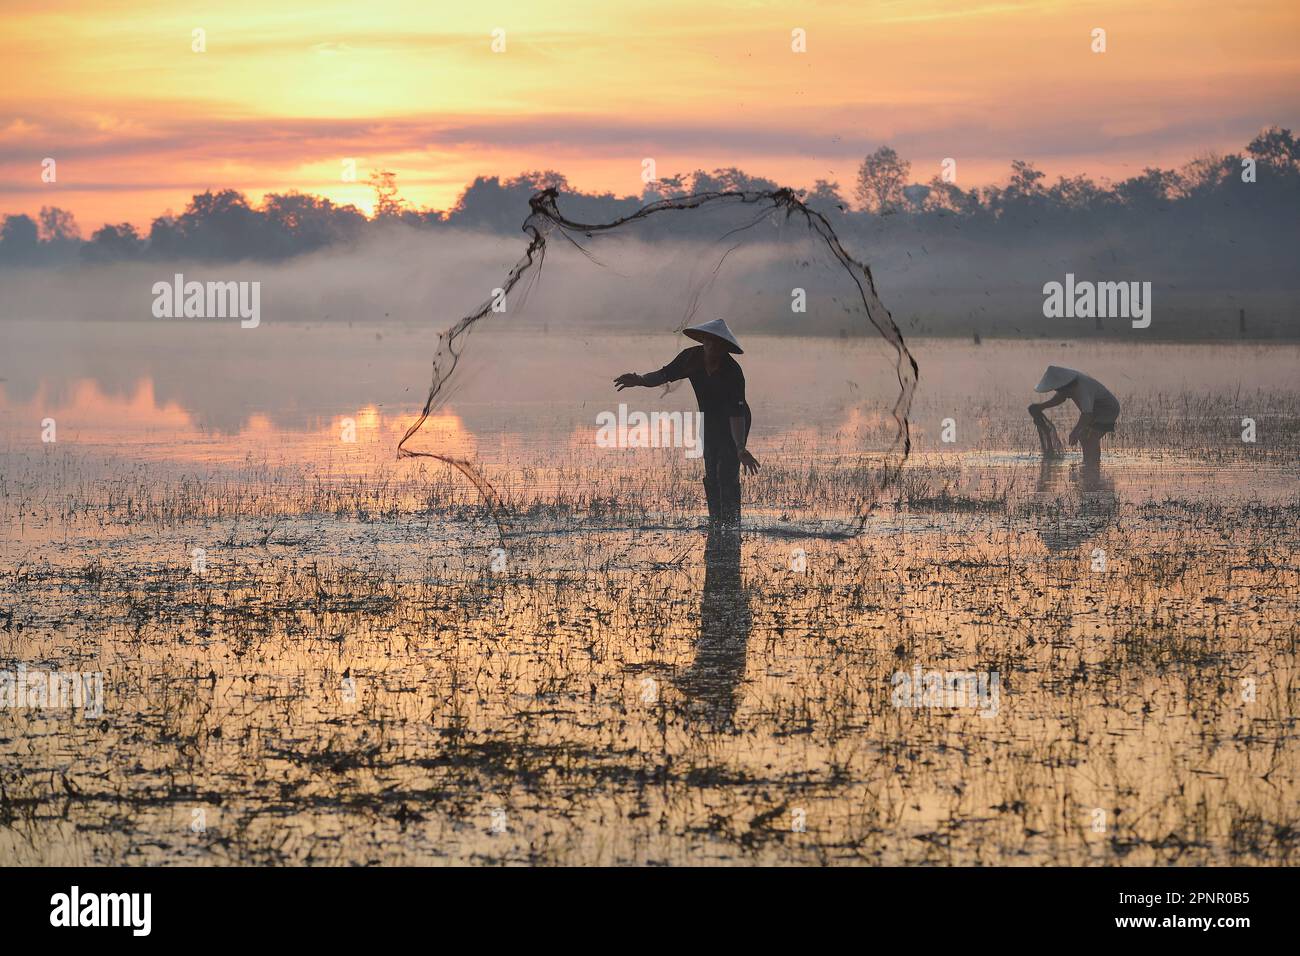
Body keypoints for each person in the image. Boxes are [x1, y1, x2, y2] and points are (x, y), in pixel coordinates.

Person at [614, 318, 760, 526]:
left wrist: (740, 447)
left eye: (719, 344)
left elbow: (736, 414)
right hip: (708, 418)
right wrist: (640, 380)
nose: (713, 347)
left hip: (734, 419)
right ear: (703, 341)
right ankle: (716, 521)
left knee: (727, 470)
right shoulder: (690, 358)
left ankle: (732, 523)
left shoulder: (733, 372)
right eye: (710, 342)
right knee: (711, 469)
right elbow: (663, 374)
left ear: (725, 347)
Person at [1028, 365, 1120, 469]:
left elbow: (1087, 414)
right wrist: (1041, 407)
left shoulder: (1081, 388)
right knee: (1085, 436)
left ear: (1064, 385)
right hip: (1094, 411)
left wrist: (1075, 432)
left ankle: (1092, 467)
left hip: (1107, 410)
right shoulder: (1068, 386)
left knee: (1090, 437)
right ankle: (1089, 465)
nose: (1057, 390)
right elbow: (1060, 398)